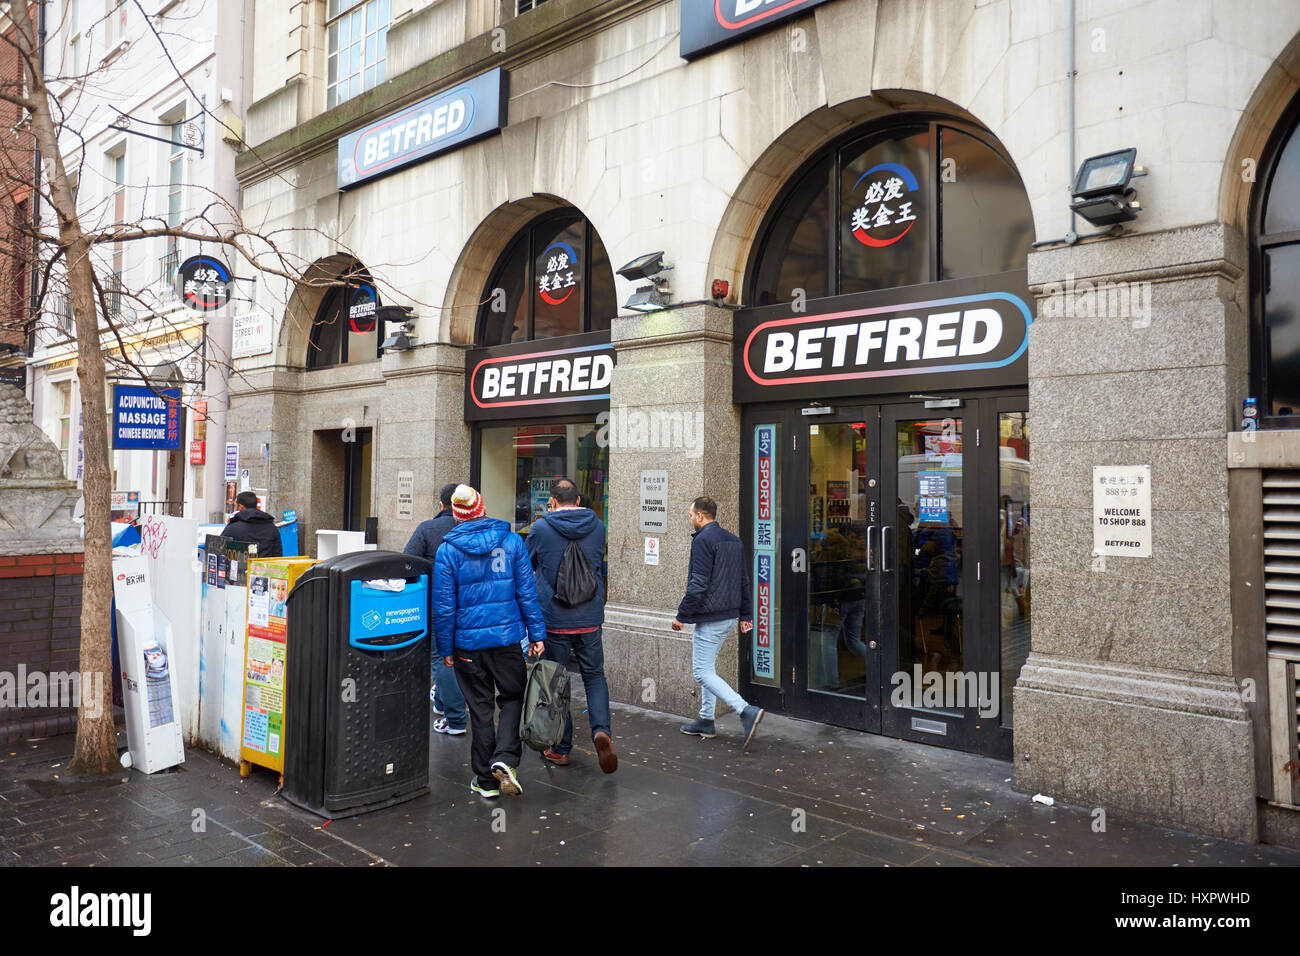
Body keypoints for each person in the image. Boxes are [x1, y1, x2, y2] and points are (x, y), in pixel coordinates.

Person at [433, 484, 546, 798]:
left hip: (467, 646)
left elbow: (443, 606)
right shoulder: (511, 542)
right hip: (506, 640)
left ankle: (485, 781)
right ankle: (505, 757)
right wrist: (536, 634)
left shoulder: (448, 550)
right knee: (512, 697)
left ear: (456, 515)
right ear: (481, 508)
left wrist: (446, 649)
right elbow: (527, 592)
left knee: (480, 708)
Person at [525, 477, 616, 773]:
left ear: (551, 502)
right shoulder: (598, 526)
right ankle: (601, 731)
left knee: (556, 683)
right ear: (577, 501)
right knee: (594, 676)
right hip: (589, 619)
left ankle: (561, 748)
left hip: (555, 619)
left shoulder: (540, 528)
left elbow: (527, 565)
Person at [671, 496, 764, 749]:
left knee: (701, 672)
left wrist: (681, 616)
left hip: (711, 617)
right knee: (708, 669)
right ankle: (706, 720)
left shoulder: (703, 540)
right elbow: (744, 581)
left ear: (700, 516)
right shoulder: (733, 540)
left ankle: (745, 710)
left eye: (691, 515)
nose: (690, 519)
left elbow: (698, 583)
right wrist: (746, 616)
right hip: (729, 616)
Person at [405, 482, 469, 736]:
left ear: (442, 504)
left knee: (441, 658)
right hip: (470, 604)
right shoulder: (475, 529)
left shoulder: (428, 528)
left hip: (437, 602)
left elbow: (407, 563)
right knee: (461, 656)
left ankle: (456, 718)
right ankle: (443, 703)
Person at [220, 491, 282, 557]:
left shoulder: (233, 528)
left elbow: (220, 549)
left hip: (241, 566)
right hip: (266, 566)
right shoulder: (272, 528)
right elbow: (277, 555)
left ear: (240, 507)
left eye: (235, 506)